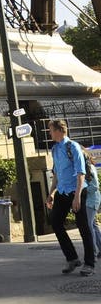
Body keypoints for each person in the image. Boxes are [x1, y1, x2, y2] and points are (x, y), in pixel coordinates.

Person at [45, 118, 95, 276]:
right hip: (62, 191)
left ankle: (89, 263)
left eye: (51, 130)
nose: (50, 133)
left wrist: (77, 197)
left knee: (83, 227)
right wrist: (51, 193)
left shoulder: (72, 146)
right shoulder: (54, 149)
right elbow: (57, 174)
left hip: (77, 191)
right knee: (55, 222)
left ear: (59, 130)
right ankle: (72, 258)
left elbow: (81, 173)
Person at [82, 149, 101, 260]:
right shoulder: (84, 167)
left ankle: (92, 253)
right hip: (90, 200)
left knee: (88, 226)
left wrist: (80, 191)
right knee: (93, 225)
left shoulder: (89, 168)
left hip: (91, 200)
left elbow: (94, 187)